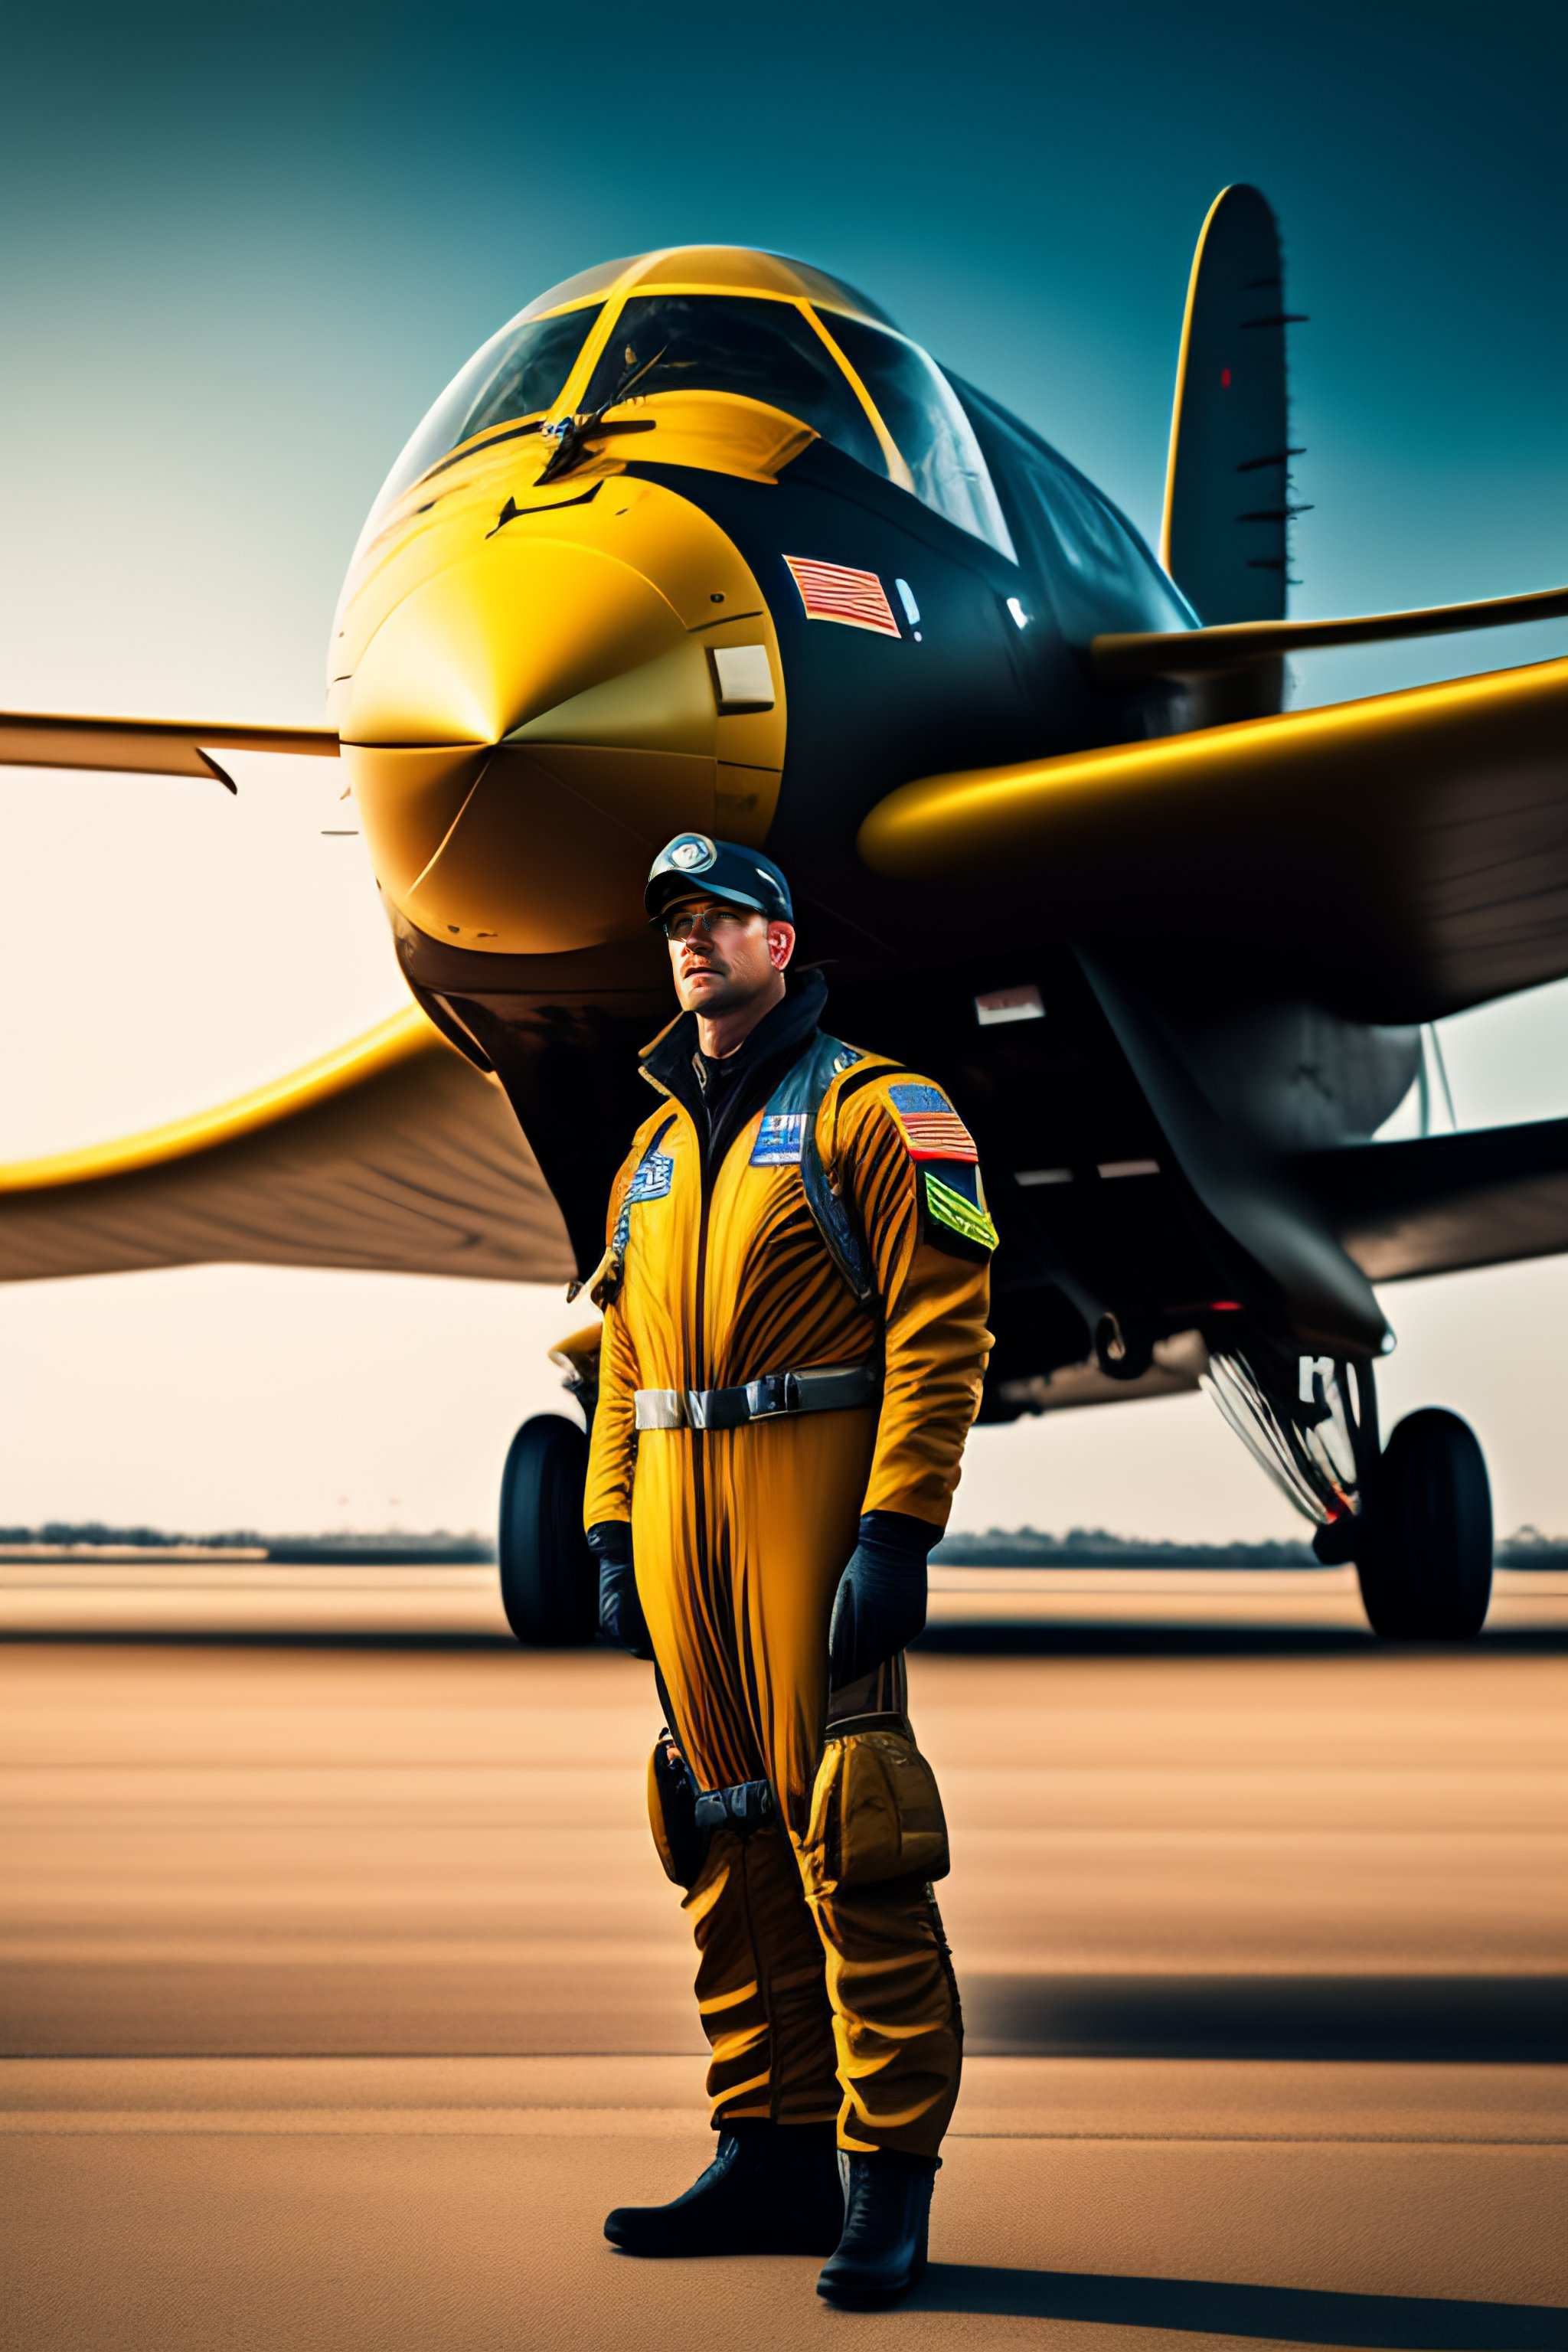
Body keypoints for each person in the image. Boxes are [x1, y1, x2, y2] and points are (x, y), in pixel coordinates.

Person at [583, 831, 995, 2308]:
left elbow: (946, 1329)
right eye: (676, 922)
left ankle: (888, 2180)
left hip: (812, 1503)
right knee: (720, 1836)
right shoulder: (652, 1149)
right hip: (682, 1510)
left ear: (782, 938)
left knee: (852, 1835)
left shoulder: (884, 1110)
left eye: (722, 918)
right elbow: (622, 1354)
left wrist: (899, 1528)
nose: (696, 941)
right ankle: (768, 2153)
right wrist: (610, 1524)